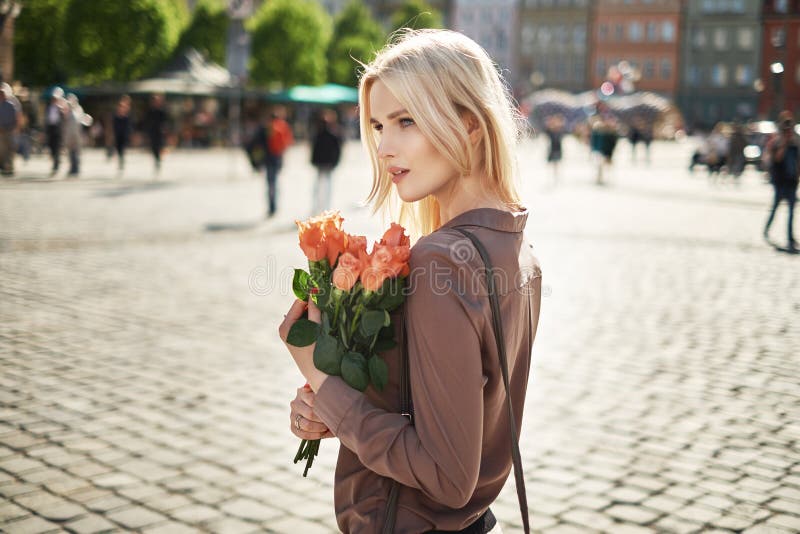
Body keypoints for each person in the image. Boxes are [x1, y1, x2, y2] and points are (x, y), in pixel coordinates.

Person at [279, 29, 543, 533]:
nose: (384, 146)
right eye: (378, 125)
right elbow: (443, 419)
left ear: (469, 124)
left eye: (406, 121)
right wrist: (343, 412)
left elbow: (446, 475)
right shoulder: (518, 248)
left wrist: (323, 380)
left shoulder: (441, 261)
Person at [763, 110, 799, 251]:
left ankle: (790, 237)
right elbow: (777, 158)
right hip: (780, 182)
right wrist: (784, 144)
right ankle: (767, 228)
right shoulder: (777, 141)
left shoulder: (795, 144)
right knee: (776, 208)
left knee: (791, 211)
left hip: (792, 181)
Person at [259, 106, 293, 218]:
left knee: (270, 182)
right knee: (275, 181)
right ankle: (274, 204)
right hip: (278, 156)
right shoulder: (283, 126)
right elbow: (288, 142)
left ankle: (272, 205)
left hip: (268, 157)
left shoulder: (267, 126)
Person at [310, 109, 343, 215]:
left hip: (324, 163)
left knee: (321, 186)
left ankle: (322, 206)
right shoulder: (329, 134)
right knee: (323, 186)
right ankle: (321, 206)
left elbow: (336, 150)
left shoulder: (323, 134)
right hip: (325, 163)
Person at [62, 93, 93, 177]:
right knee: (71, 153)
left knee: (76, 152)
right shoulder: (68, 111)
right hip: (70, 135)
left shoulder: (78, 110)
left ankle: (76, 168)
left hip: (76, 135)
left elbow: (80, 123)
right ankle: (72, 168)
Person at [45, 87, 67, 175]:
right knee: (51, 147)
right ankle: (54, 161)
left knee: (57, 147)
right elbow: (47, 120)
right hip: (50, 129)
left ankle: (56, 164)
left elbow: (64, 119)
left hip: (58, 130)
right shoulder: (48, 107)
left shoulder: (60, 108)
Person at [145, 94, 168, 173]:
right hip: (152, 132)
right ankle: (156, 159)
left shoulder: (162, 111)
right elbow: (147, 122)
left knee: (159, 146)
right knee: (153, 147)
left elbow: (165, 122)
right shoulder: (150, 111)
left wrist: (164, 129)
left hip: (160, 132)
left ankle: (158, 159)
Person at [0, 86, 18, 176]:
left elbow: (15, 118)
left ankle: (10, 167)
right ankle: (4, 167)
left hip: (9, 130)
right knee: (2, 150)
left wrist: (13, 128)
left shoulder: (10, 105)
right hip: (1, 131)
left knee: (10, 149)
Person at [112, 95, 132, 171]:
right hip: (117, 134)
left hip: (124, 134)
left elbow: (129, 125)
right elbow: (114, 125)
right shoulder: (116, 115)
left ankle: (121, 159)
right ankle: (120, 159)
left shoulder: (127, 115)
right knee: (118, 148)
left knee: (122, 147)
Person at [544, 114, 564, 186]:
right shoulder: (550, 132)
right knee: (552, 164)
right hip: (552, 150)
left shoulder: (560, 131)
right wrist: (550, 123)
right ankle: (553, 177)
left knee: (557, 164)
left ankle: (556, 177)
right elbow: (546, 131)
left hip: (558, 149)